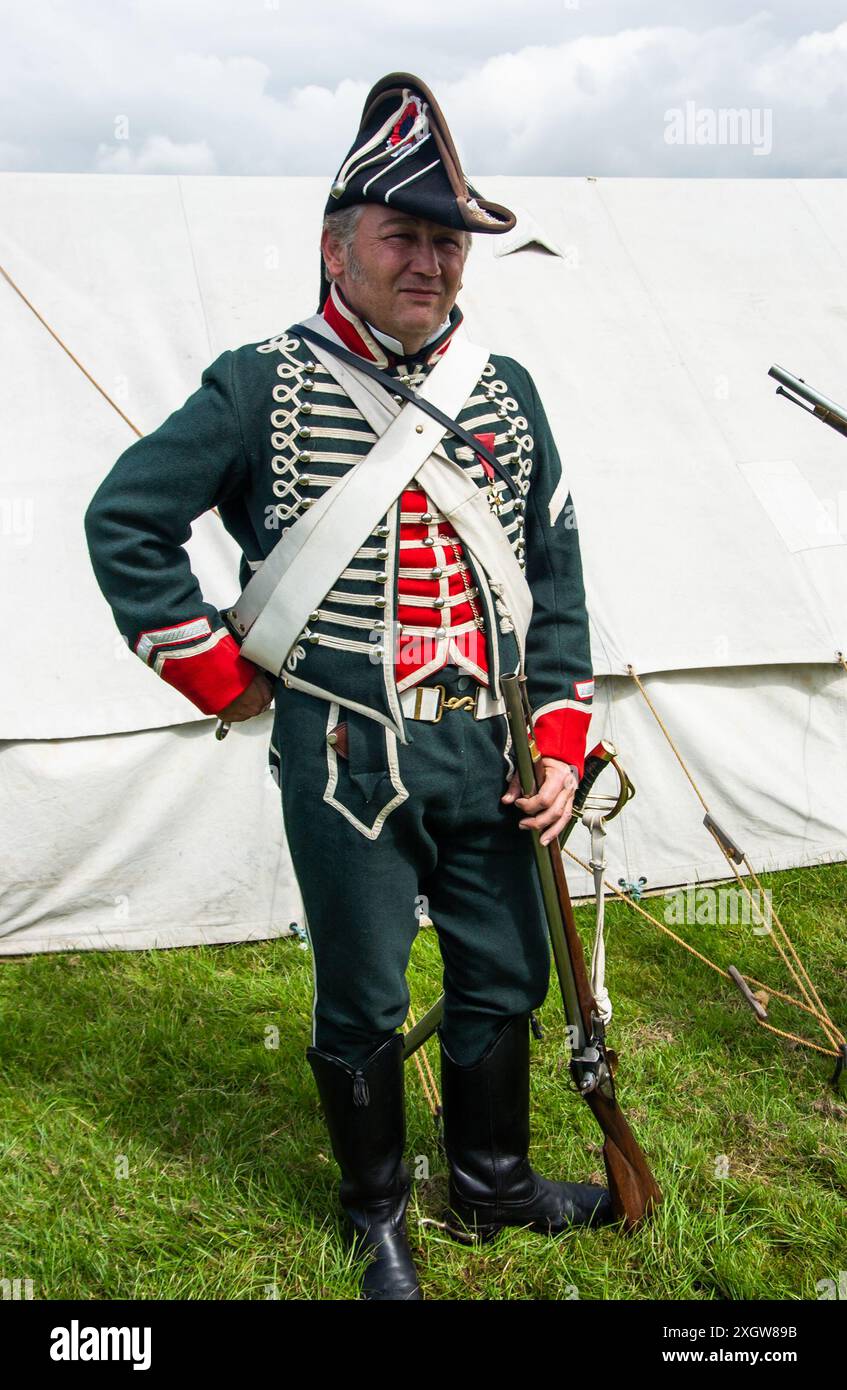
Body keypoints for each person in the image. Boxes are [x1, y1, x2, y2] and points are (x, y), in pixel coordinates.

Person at [84, 71, 612, 1303]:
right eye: (403, 234)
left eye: (445, 240)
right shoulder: (260, 381)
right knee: (364, 986)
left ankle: (492, 1181)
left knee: (505, 969)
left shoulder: (506, 390)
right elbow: (128, 519)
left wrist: (565, 733)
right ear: (337, 244)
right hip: (345, 749)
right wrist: (218, 672)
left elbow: (556, 573)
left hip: (492, 747)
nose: (428, 261)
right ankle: (375, 1213)